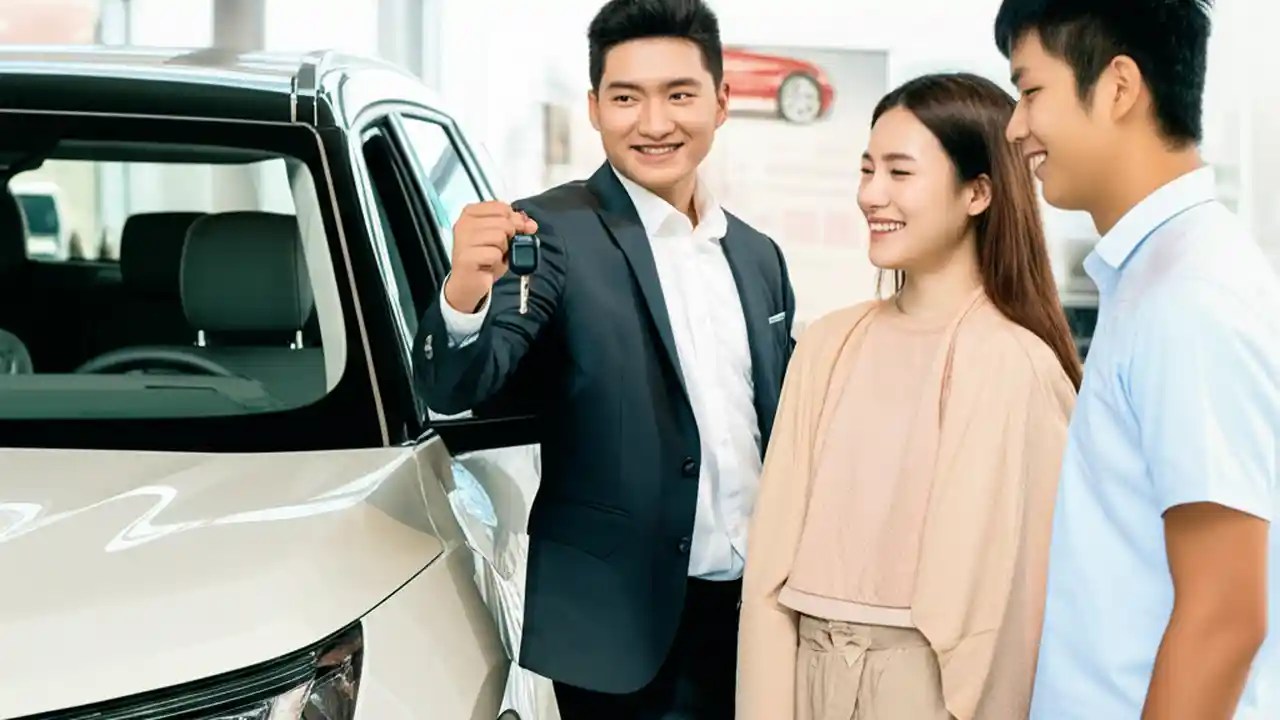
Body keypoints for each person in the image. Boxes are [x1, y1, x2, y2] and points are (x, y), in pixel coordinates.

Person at [413, 0, 797, 717]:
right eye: (626, 98)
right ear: (594, 108)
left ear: (720, 102)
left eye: (679, 95)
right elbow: (460, 385)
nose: (654, 123)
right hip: (621, 629)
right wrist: (464, 293)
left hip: (755, 623)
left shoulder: (757, 256)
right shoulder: (549, 232)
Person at [736, 72, 1080, 720]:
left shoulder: (1019, 366)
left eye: (900, 172)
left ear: (978, 192)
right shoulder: (827, 344)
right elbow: (767, 580)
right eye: (867, 170)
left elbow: (1024, 612)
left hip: (935, 694)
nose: (872, 194)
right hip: (805, 679)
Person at [994, 1, 1280, 718]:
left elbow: (1224, 617)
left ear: (1119, 87)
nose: (1015, 127)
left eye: (1031, 91)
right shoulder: (1159, 274)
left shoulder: (1189, 294)